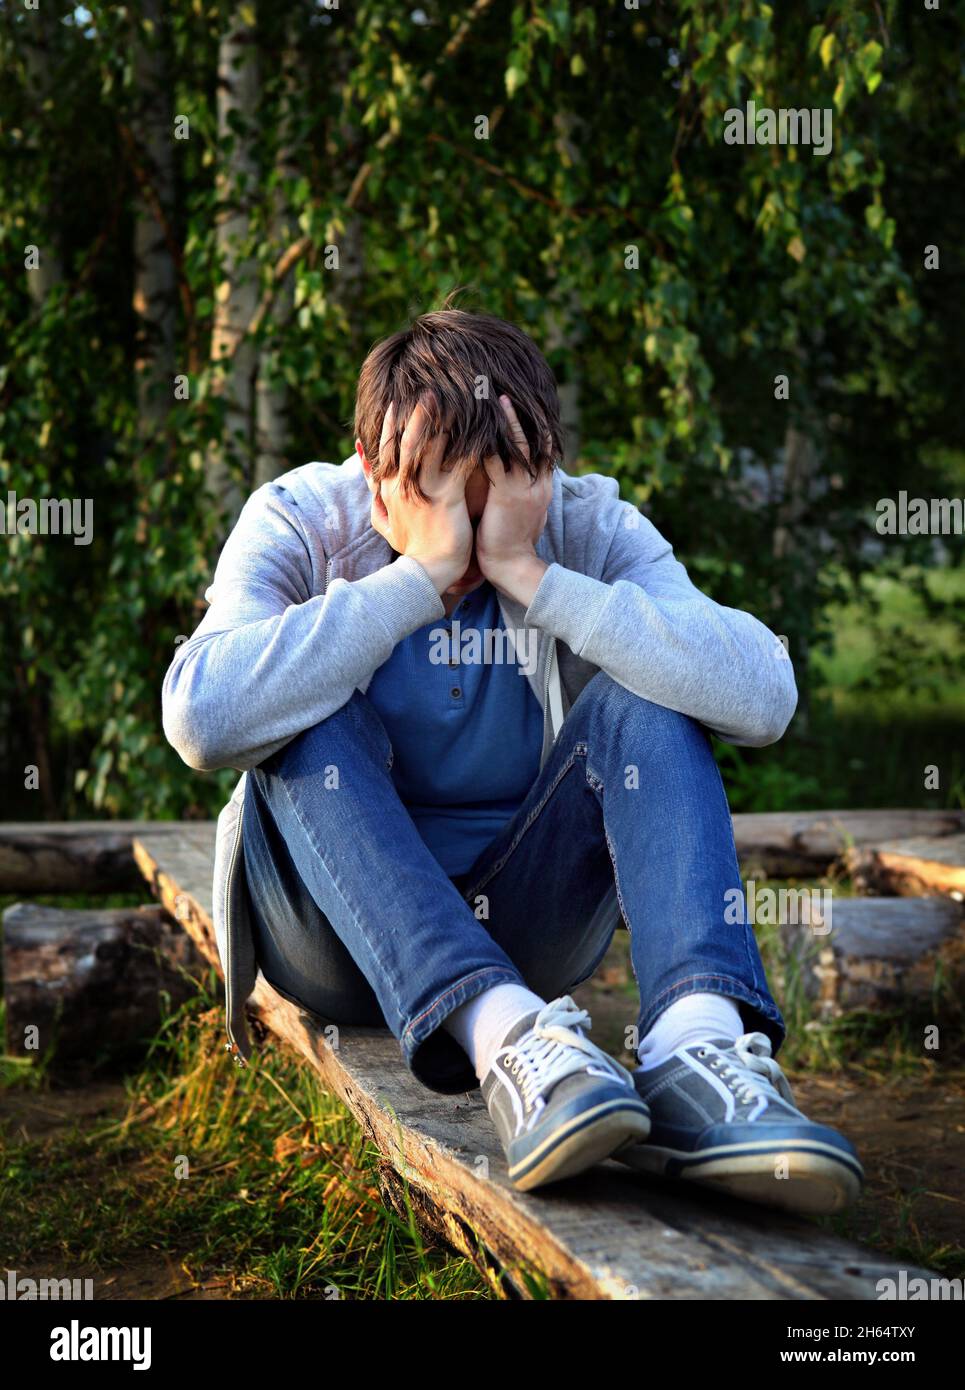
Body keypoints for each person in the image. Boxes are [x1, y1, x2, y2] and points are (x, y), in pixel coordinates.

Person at [162, 305, 863, 1211]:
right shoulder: (304, 518)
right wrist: (412, 578)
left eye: (491, 495)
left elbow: (761, 696)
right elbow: (202, 718)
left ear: (540, 465)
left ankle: (694, 1048)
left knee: (650, 691)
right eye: (434, 496)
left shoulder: (580, 525)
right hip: (330, 940)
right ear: (376, 473)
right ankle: (503, 1039)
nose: (461, 532)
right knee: (298, 711)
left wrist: (531, 573)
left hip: (525, 925)